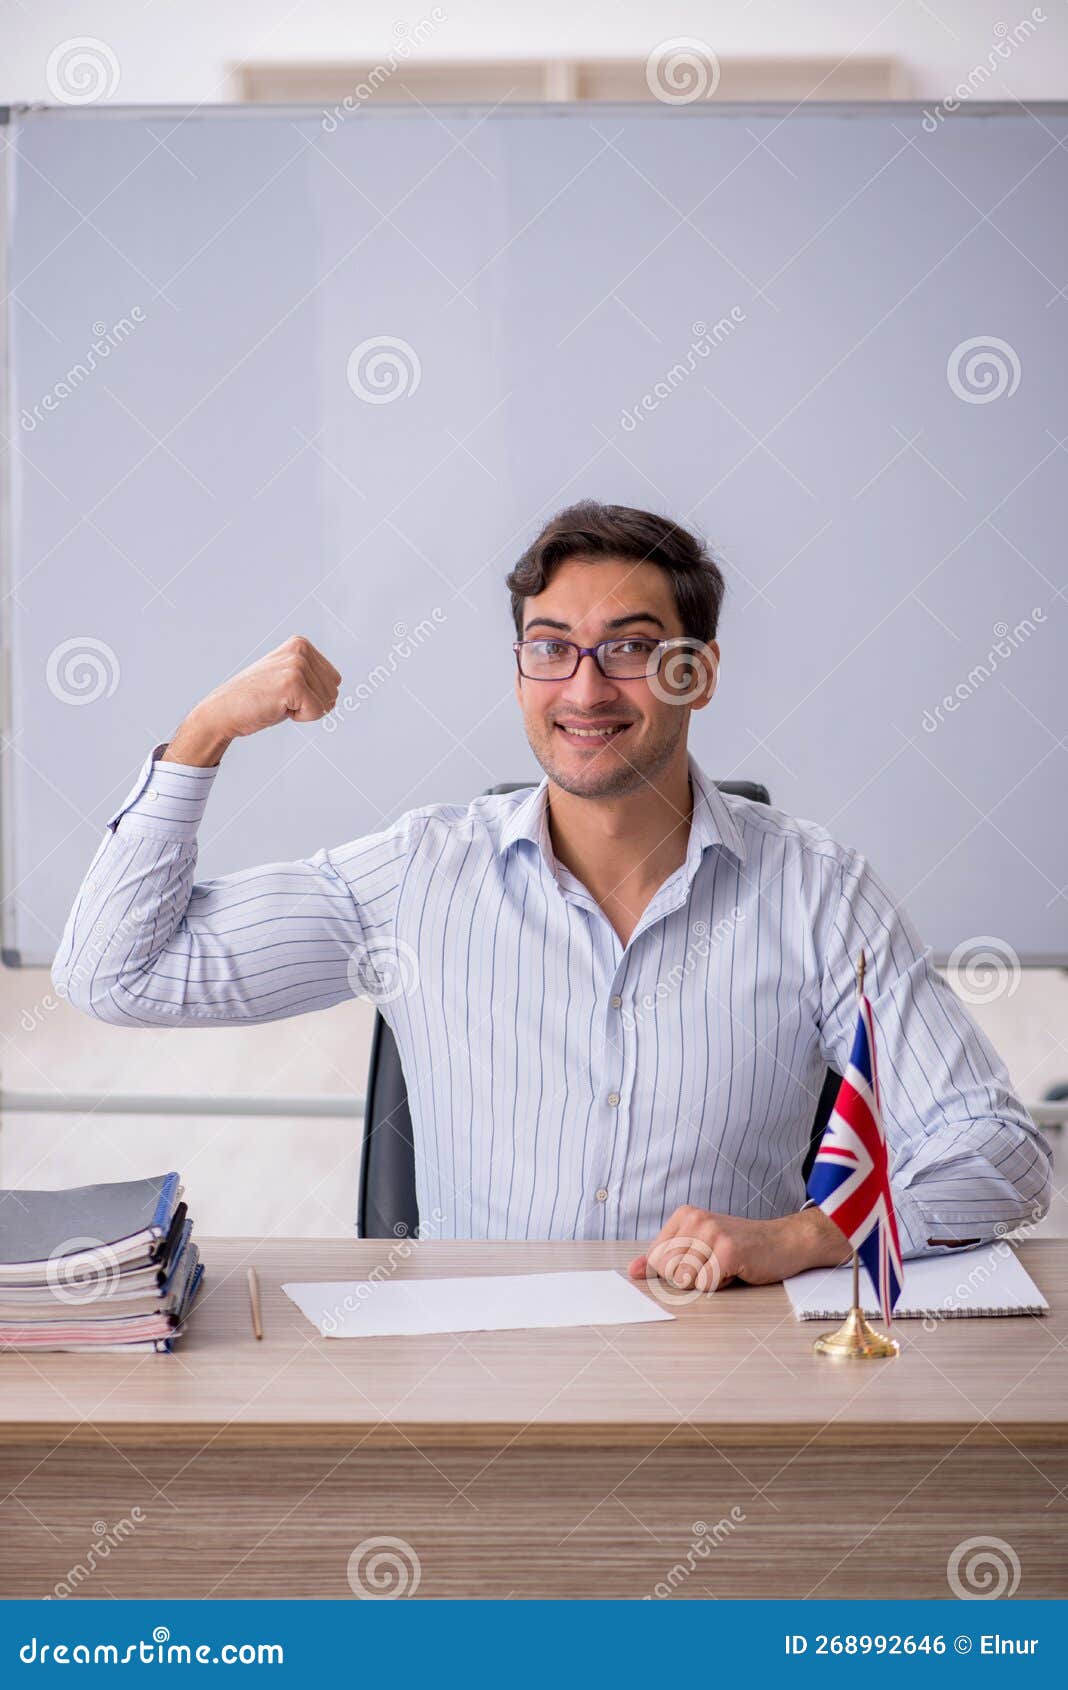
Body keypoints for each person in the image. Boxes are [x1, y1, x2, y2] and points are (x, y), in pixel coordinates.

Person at [52, 502, 1050, 1294]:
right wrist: (203, 732)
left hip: (727, 1383)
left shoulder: (817, 890)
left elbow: (998, 1150)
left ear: (696, 671)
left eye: (627, 647)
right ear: (520, 667)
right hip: (471, 1394)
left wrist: (807, 1237)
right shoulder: (415, 878)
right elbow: (113, 973)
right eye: (549, 646)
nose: (584, 688)